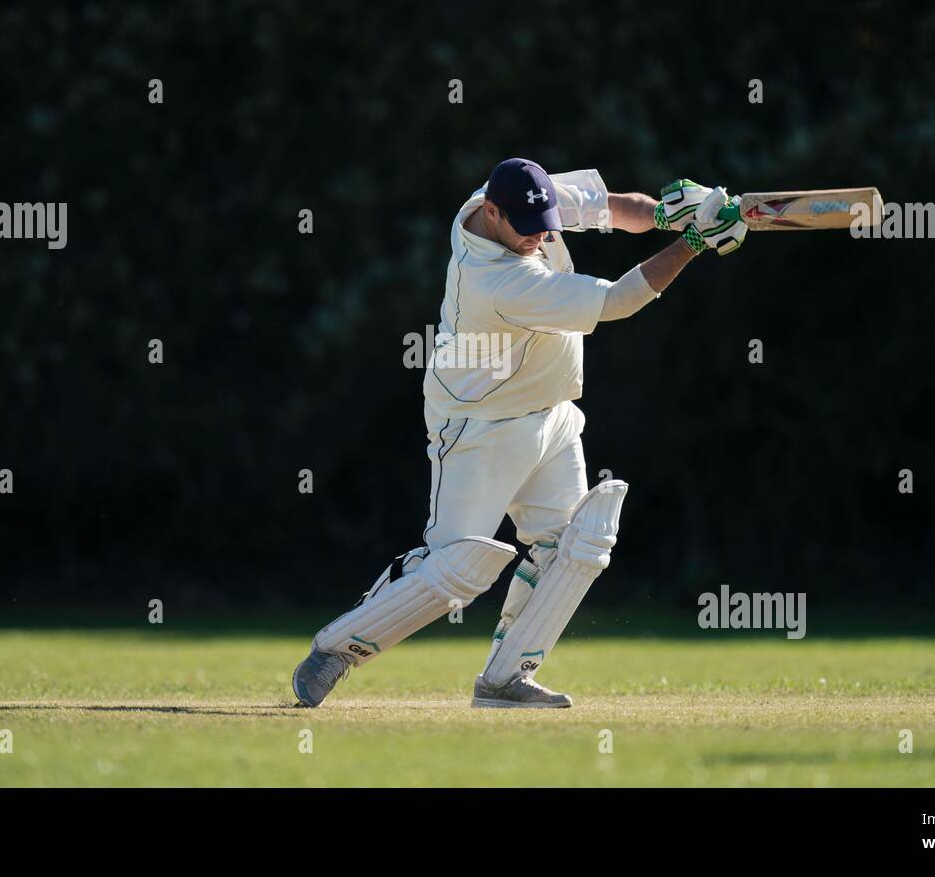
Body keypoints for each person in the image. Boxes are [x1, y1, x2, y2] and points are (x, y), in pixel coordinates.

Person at [292, 158, 746, 708]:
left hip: (549, 409)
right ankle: (336, 648)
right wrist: (694, 242)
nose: (541, 236)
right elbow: (616, 302)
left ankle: (506, 679)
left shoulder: (523, 201)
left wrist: (671, 214)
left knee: (578, 546)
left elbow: (614, 208)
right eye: (529, 229)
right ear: (491, 212)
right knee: (456, 570)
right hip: (479, 424)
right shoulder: (499, 280)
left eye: (547, 223)